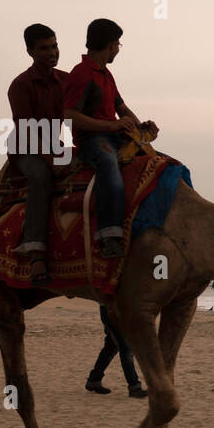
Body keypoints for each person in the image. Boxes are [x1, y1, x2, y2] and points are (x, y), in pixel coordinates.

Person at [62, 19, 159, 259]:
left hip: (114, 135)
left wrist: (141, 129)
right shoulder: (82, 74)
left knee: (158, 163)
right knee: (109, 165)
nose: (118, 49)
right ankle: (109, 236)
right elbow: (69, 116)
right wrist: (111, 125)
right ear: (110, 45)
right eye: (118, 44)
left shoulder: (106, 75)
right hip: (92, 141)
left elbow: (122, 108)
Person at [7, 23, 67, 285]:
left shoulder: (66, 80)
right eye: (44, 48)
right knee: (42, 177)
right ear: (29, 51)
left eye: (54, 46)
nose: (52, 52)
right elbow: (28, 131)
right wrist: (52, 160)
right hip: (26, 148)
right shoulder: (20, 85)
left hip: (56, 146)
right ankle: (35, 253)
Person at [85, 305, 147, 397]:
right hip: (112, 312)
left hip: (117, 311)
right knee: (125, 348)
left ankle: (94, 380)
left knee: (111, 347)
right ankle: (134, 387)